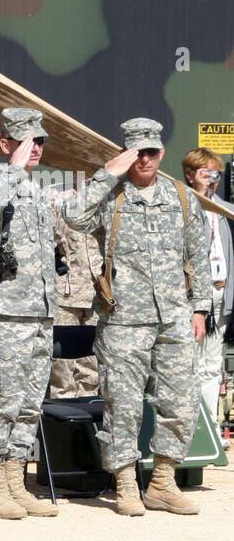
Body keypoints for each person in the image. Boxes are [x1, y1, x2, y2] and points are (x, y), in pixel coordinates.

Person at [64, 118, 210, 515]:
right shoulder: (111, 196)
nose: (144, 159)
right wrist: (106, 172)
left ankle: (163, 481)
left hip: (174, 318)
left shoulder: (182, 198)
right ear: (126, 154)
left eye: (150, 152)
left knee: (179, 401)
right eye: (136, 153)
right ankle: (126, 483)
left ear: (161, 154)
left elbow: (198, 255)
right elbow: (73, 216)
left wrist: (200, 309)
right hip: (124, 318)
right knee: (122, 403)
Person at [0, 108, 60, 520]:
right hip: (4, 312)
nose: (35, 148)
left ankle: (16, 478)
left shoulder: (37, 191)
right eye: (27, 141)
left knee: (28, 404)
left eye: (39, 142)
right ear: (6, 145)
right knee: (1, 400)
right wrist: (12, 169)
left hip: (38, 312)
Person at [181, 148, 233, 427]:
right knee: (190, 364)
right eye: (206, 173)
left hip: (220, 293)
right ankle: (190, 427)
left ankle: (210, 427)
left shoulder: (225, 210)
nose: (213, 179)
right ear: (190, 176)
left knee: (213, 365)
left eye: (217, 174)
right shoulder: (183, 207)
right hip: (192, 299)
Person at [48, 178, 103, 399]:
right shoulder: (54, 198)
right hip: (65, 292)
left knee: (93, 366)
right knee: (62, 368)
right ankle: (63, 425)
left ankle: (87, 423)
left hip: (100, 294)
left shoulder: (109, 199)